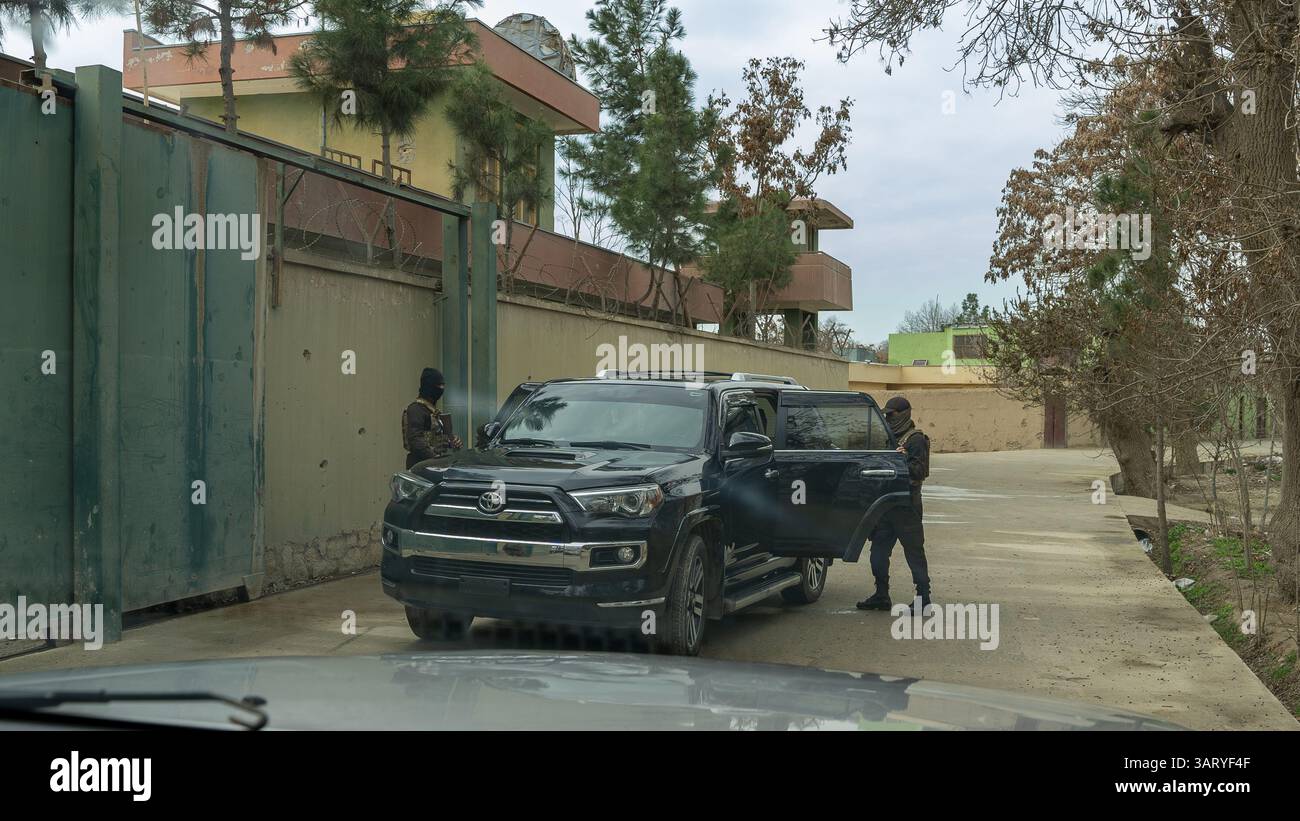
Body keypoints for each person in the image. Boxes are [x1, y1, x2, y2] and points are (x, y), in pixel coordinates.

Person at [857, 396, 932, 614]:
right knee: (878, 553)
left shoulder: (915, 439)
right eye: (887, 415)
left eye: (892, 414)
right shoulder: (886, 437)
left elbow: (920, 472)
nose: (888, 418)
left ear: (905, 413)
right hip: (885, 505)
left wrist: (901, 459)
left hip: (906, 504)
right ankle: (881, 595)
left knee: (914, 552)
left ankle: (924, 598)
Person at [402, 367, 462, 469]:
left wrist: (452, 441)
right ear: (428, 386)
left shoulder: (432, 410)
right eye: (438, 385)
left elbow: (438, 438)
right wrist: (436, 459)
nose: (441, 388)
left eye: (443, 385)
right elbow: (415, 440)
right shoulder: (416, 410)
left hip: (434, 466)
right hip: (421, 466)